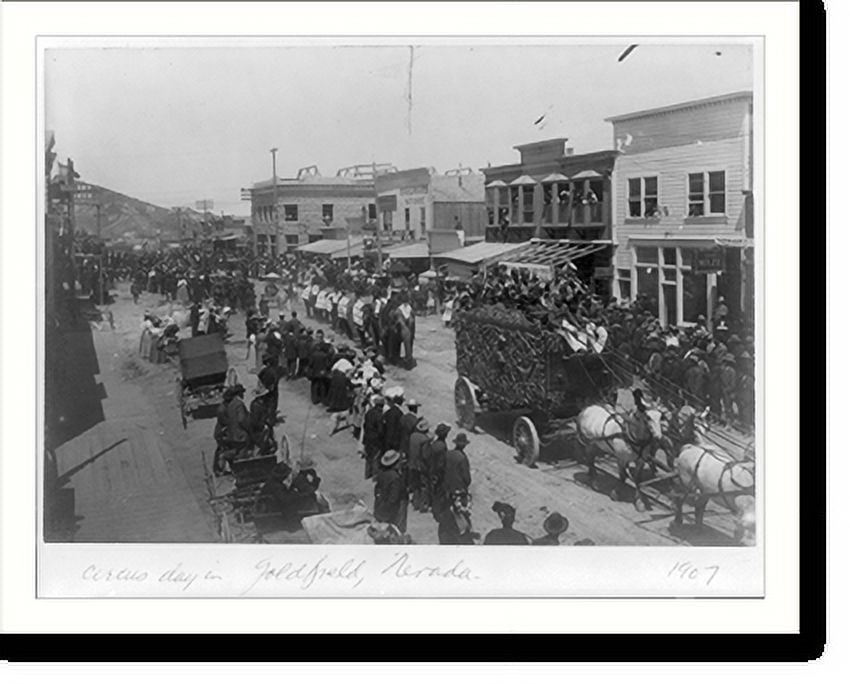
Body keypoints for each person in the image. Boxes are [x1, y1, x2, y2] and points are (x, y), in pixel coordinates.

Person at [373, 450, 407, 533]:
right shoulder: (395, 478)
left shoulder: (382, 474)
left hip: (382, 506)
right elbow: (394, 497)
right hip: (394, 510)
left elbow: (376, 491)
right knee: (396, 531)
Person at [407, 417, 432, 512]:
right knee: (423, 485)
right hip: (421, 465)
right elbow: (426, 455)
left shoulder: (412, 436)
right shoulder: (424, 439)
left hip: (411, 463)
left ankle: (415, 503)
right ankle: (423, 504)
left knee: (415, 484)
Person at [429, 422, 451, 519]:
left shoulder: (435, 443)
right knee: (439, 493)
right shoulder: (441, 446)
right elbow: (441, 463)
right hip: (438, 473)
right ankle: (438, 512)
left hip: (432, 470)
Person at [362, 394, 386, 479]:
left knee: (368, 456)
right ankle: (375, 476)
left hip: (367, 437)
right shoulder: (379, 416)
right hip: (375, 439)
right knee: (376, 457)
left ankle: (367, 474)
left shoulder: (369, 412)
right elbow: (380, 430)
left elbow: (365, 425)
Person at [443, 432, 472, 500]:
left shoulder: (448, 453)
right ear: (464, 445)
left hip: (446, 481)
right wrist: (467, 483)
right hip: (457, 485)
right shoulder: (462, 458)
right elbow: (466, 475)